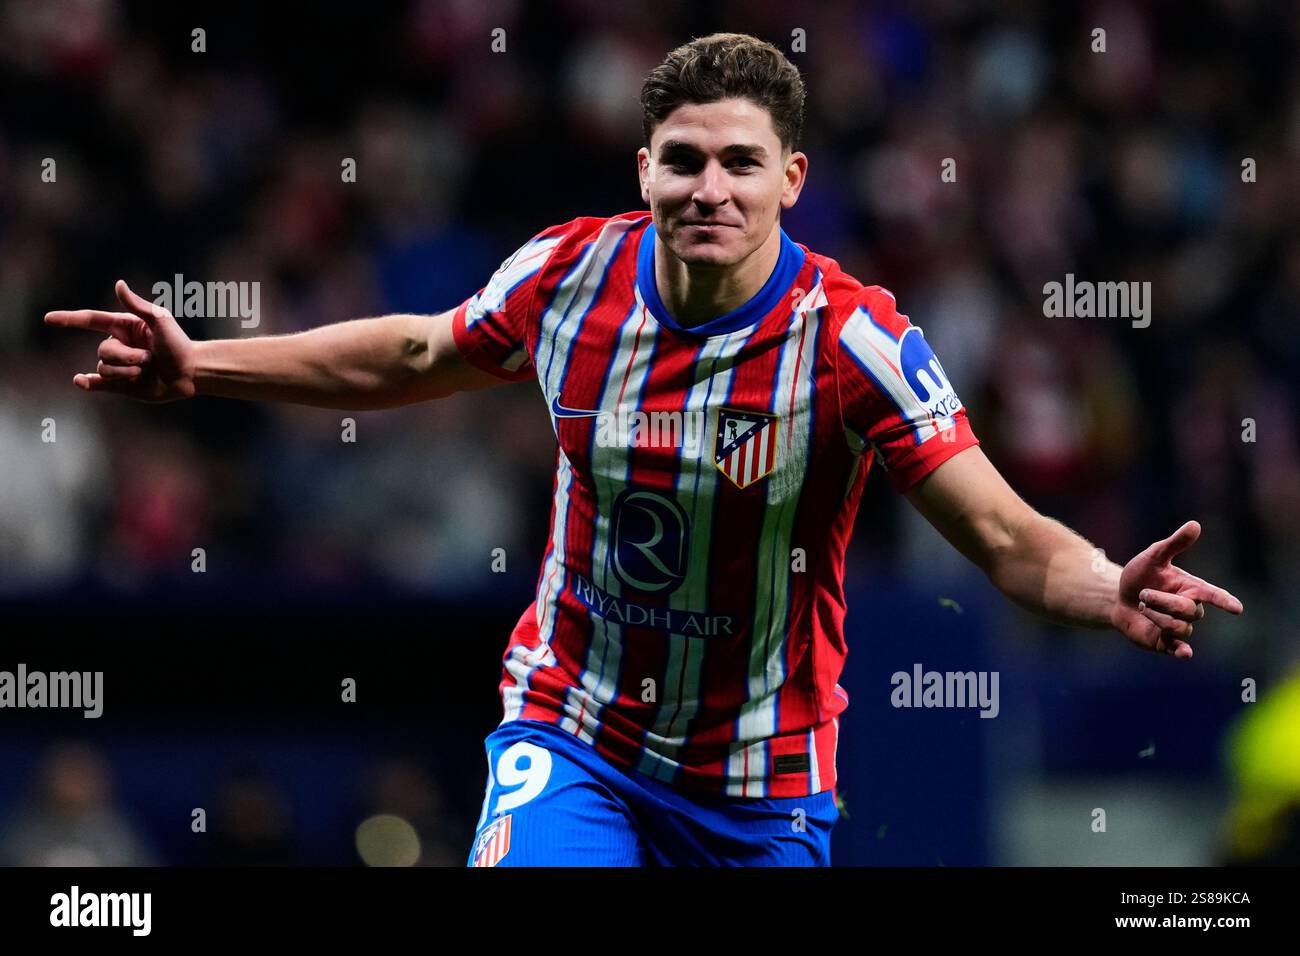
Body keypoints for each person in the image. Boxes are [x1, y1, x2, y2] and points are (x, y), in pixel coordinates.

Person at [44, 33, 1243, 866]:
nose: (705, 188)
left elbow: (1002, 535)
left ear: (791, 178)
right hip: (573, 728)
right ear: (643, 169)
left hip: (760, 783)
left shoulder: (853, 338)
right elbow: (412, 355)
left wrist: (1101, 584)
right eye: (681, 159)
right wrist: (202, 362)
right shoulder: (570, 274)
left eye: (736, 163)